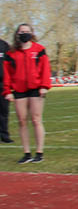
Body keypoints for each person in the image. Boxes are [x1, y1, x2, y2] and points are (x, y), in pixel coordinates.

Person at [5, 25, 51, 163]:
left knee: (36, 119)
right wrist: (7, 91)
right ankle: (26, 153)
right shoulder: (11, 53)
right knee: (22, 121)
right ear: (17, 34)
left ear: (31, 33)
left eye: (27, 31)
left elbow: (45, 69)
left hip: (36, 89)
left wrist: (44, 86)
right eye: (21, 32)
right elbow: (7, 74)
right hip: (19, 90)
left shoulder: (39, 50)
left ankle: (39, 152)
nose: (24, 34)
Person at [0, 35, 10, 145]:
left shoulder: (4, 45)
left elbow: (10, 63)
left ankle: (4, 135)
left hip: (2, 85)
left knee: (3, 111)